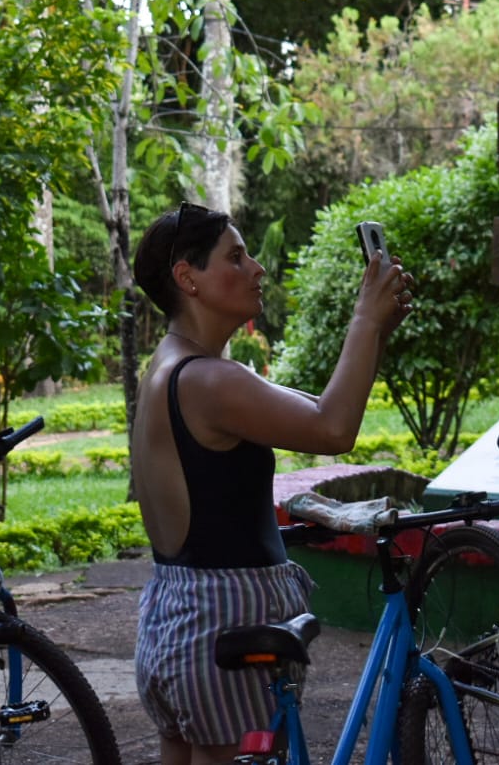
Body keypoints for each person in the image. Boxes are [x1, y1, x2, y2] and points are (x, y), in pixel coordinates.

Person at [131, 202, 413, 765]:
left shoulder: (172, 365)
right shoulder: (208, 380)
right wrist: (363, 320)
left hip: (178, 620)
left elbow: (322, 409)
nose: (257, 267)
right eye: (235, 256)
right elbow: (333, 430)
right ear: (188, 277)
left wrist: (377, 332)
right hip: (225, 625)